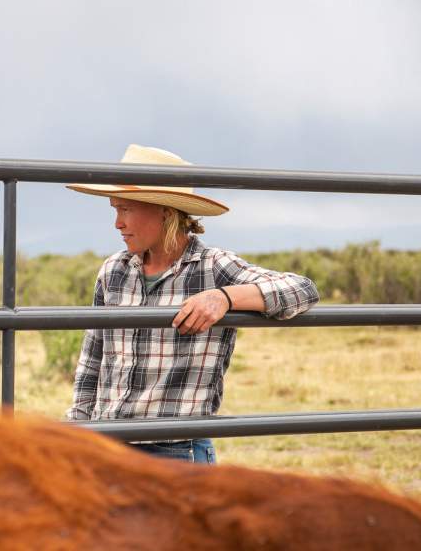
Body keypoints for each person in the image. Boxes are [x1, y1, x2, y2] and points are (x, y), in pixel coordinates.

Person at [63, 144, 319, 464]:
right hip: (108, 444)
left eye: (125, 209)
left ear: (165, 212)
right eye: (115, 210)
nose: (118, 223)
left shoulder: (213, 267)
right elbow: (92, 359)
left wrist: (224, 297)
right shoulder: (113, 271)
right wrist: (76, 429)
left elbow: (303, 289)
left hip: (175, 447)